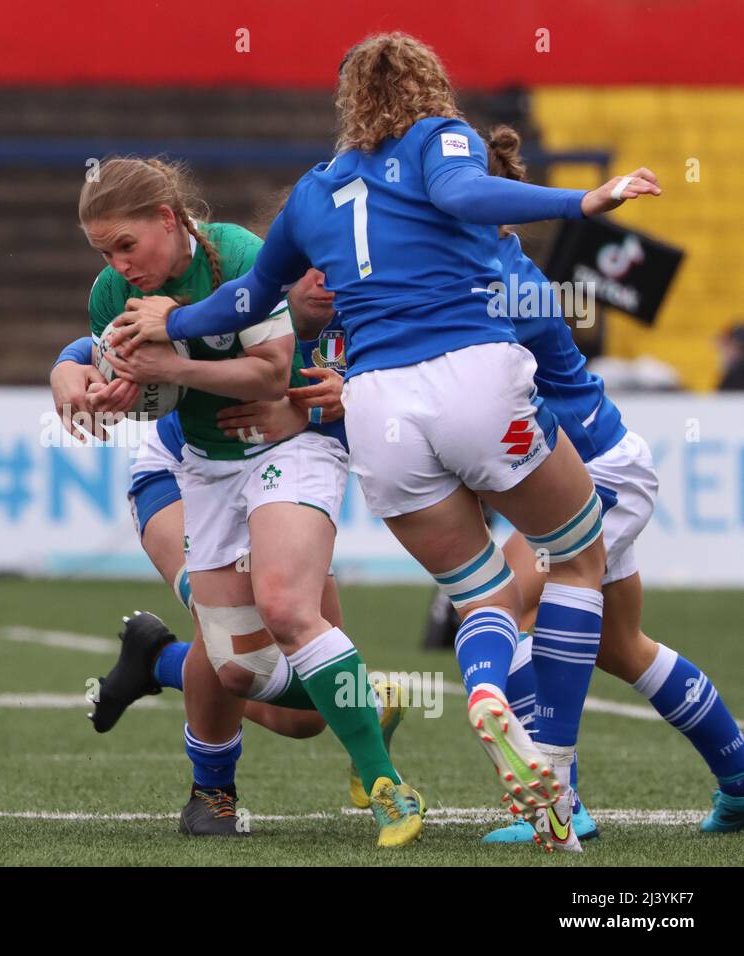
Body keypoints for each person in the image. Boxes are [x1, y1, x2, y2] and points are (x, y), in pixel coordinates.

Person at [109, 33, 662, 852]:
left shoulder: (313, 191)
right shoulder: (442, 138)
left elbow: (247, 301)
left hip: (375, 409)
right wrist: (581, 202)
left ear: (347, 103)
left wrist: (175, 324)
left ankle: (485, 691)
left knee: (480, 591)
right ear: (431, 86)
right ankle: (554, 766)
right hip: (468, 374)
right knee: (575, 554)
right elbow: (468, 194)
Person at [65, 157, 422, 846]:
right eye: (105, 251)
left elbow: (271, 375)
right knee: (243, 670)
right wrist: (89, 382)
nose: (117, 264)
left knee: (290, 613)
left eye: (125, 246)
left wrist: (316, 411)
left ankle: (381, 786)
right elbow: (103, 355)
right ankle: (359, 706)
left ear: (168, 219)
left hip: (289, 457)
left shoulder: (260, 267)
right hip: (193, 465)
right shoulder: (118, 289)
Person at [473, 127, 744, 840]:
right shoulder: (487, 266)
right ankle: (741, 777)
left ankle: (561, 802)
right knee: (622, 648)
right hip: (589, 465)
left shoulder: (500, 281)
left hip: (593, 472)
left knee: (508, 608)